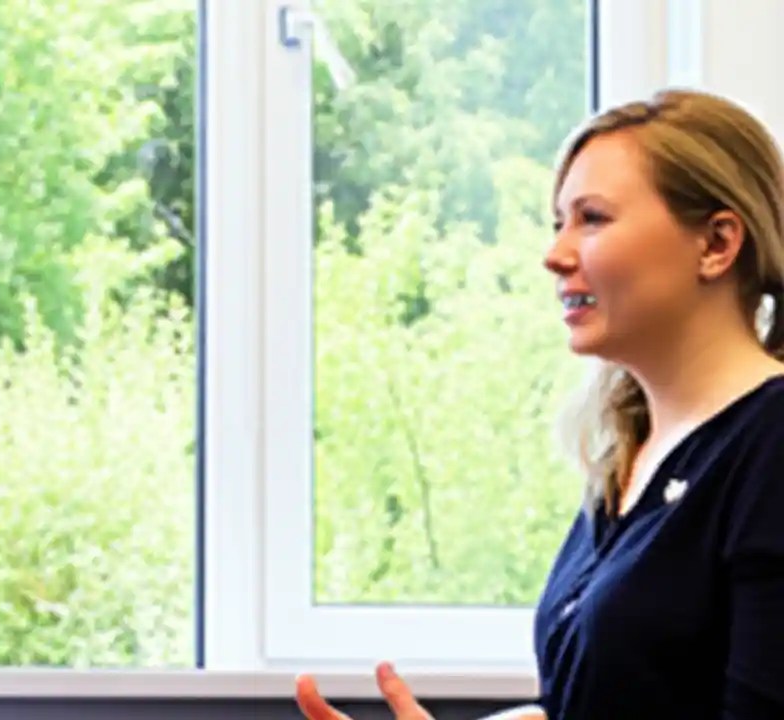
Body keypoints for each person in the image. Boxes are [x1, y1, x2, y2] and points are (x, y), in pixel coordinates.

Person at [295, 88, 784, 719]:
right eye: (559, 223)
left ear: (716, 243)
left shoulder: (770, 447)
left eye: (593, 219)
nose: (555, 255)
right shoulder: (630, 458)